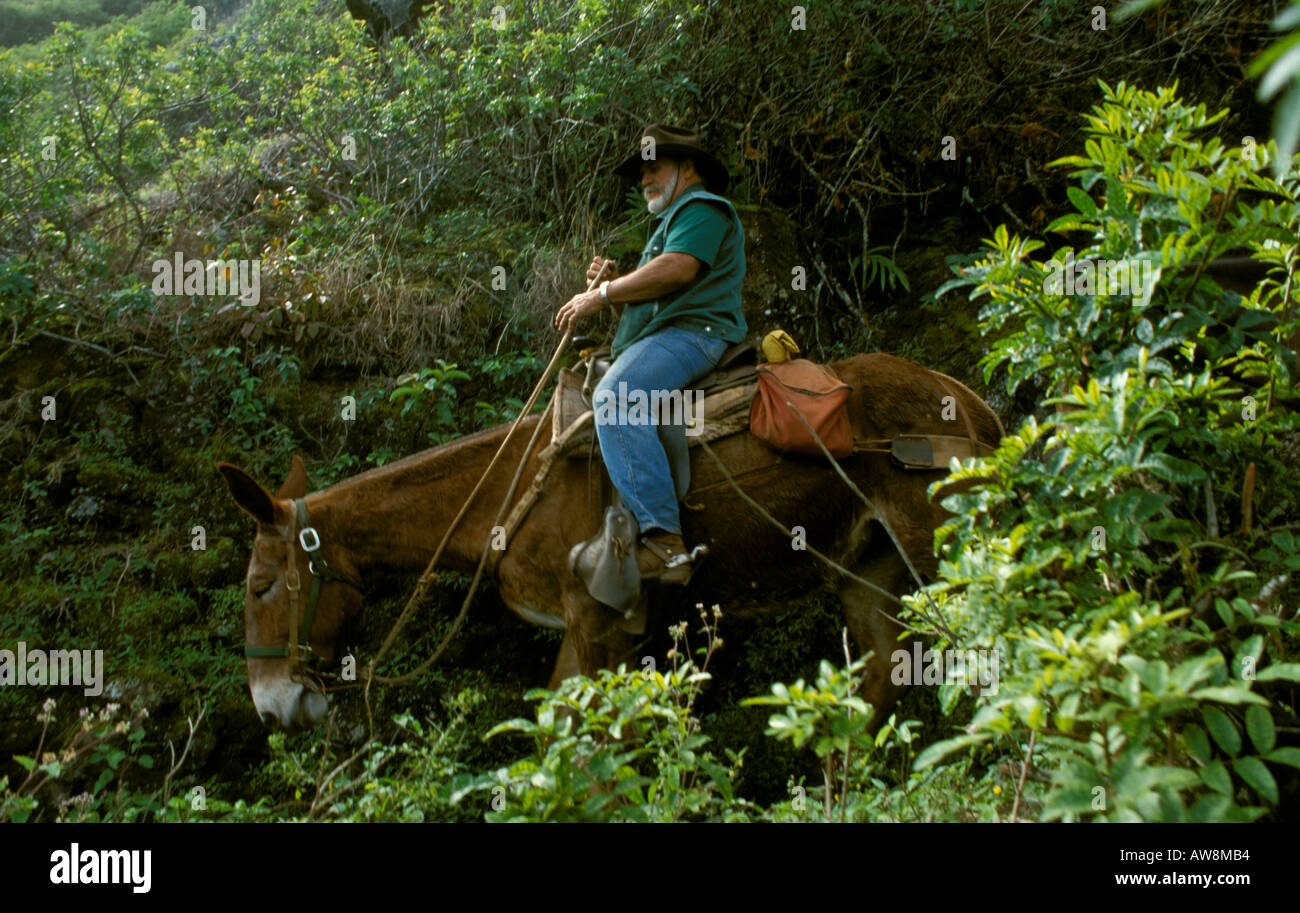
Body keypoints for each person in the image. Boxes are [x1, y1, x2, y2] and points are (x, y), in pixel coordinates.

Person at [554, 124, 747, 583]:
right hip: (669, 333)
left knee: (615, 399)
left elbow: (678, 270)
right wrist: (617, 285)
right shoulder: (671, 220)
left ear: (688, 168)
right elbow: (656, 289)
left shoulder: (703, 208)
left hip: (694, 335)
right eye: (641, 172)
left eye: (653, 168)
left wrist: (602, 295)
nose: (644, 180)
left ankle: (665, 542)